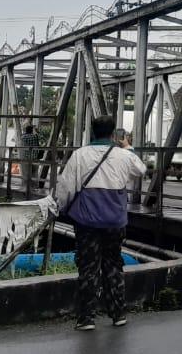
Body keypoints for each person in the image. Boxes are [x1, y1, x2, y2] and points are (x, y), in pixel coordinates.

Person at [54, 115, 147, 330]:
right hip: (115, 220)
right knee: (113, 264)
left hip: (87, 221)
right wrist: (127, 147)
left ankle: (86, 318)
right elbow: (141, 169)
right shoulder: (124, 156)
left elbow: (66, 188)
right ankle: (118, 314)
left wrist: (61, 207)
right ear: (114, 133)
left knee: (88, 267)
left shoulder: (80, 155)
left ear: (92, 132)